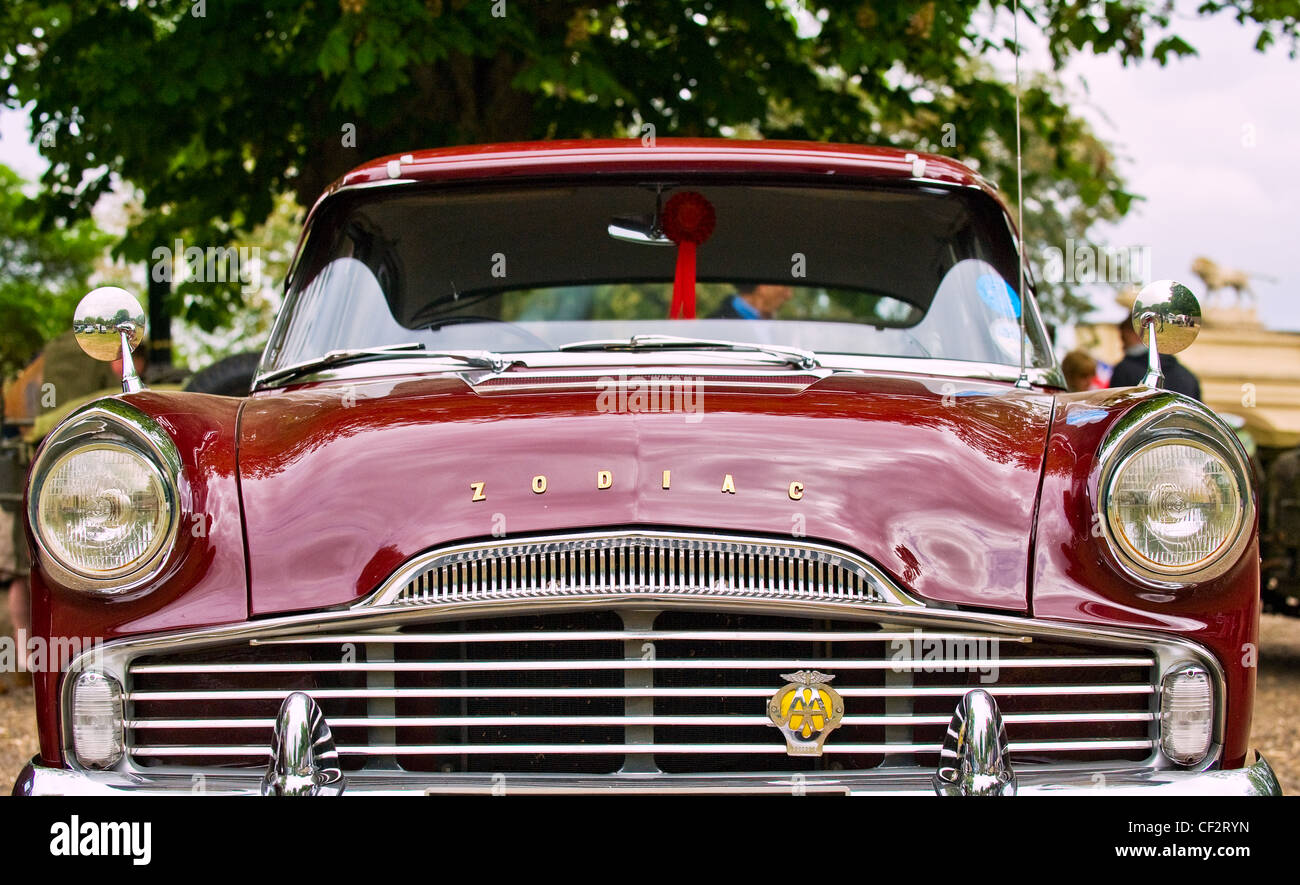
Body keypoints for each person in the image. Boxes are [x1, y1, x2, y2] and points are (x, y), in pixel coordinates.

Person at [1108, 318, 1201, 400]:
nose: (1122, 346)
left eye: (1123, 338)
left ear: (1136, 334)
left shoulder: (1124, 369)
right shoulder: (1187, 376)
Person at [710, 283, 794, 319]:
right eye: (785, 288)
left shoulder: (772, 326)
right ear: (764, 287)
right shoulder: (714, 325)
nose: (788, 295)